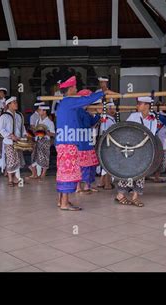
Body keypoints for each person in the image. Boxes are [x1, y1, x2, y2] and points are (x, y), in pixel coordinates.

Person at [55, 75, 117, 211]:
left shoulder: (65, 104)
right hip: (68, 143)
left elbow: (86, 104)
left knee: (64, 172)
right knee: (67, 172)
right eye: (75, 87)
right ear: (70, 89)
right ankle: (64, 203)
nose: (76, 90)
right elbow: (86, 99)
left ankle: (62, 201)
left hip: (65, 142)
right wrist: (102, 92)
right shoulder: (70, 101)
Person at [115, 96, 158, 207]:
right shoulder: (134, 116)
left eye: (140, 103)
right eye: (138, 103)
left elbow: (151, 134)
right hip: (131, 148)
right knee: (127, 171)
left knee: (141, 173)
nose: (137, 105)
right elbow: (127, 129)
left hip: (144, 150)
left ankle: (135, 197)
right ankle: (120, 194)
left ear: (147, 105)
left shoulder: (153, 118)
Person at [75, 89, 101, 194]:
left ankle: (87, 186)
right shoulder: (78, 111)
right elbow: (86, 124)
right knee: (82, 165)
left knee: (89, 164)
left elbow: (91, 122)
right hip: (81, 141)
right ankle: (78, 187)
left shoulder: (84, 111)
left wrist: (98, 115)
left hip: (87, 140)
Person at [0, 96, 26, 187]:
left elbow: (22, 127)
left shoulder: (19, 116)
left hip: (18, 142)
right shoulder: (4, 116)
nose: (16, 104)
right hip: (9, 142)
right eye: (14, 102)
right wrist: (11, 136)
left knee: (17, 159)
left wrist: (24, 135)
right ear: (9, 104)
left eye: (16, 102)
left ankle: (17, 178)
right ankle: (10, 179)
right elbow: (1, 129)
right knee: (11, 160)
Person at [28, 104, 55, 179]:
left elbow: (53, 133)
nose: (38, 111)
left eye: (40, 110)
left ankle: (43, 174)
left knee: (44, 157)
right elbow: (35, 131)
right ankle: (35, 174)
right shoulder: (37, 120)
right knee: (34, 157)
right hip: (37, 141)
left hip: (45, 141)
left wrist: (45, 132)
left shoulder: (50, 122)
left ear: (45, 111)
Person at [96, 101, 116, 190]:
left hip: (107, 141)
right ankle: (107, 184)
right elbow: (105, 132)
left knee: (106, 163)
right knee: (108, 163)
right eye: (111, 108)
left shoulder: (111, 118)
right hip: (107, 141)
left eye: (114, 108)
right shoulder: (106, 119)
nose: (113, 110)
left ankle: (102, 182)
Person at [147, 110, 166, 183]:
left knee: (149, 161)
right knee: (159, 163)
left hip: (151, 144)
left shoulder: (153, 119)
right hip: (161, 146)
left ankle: (146, 176)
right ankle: (156, 177)